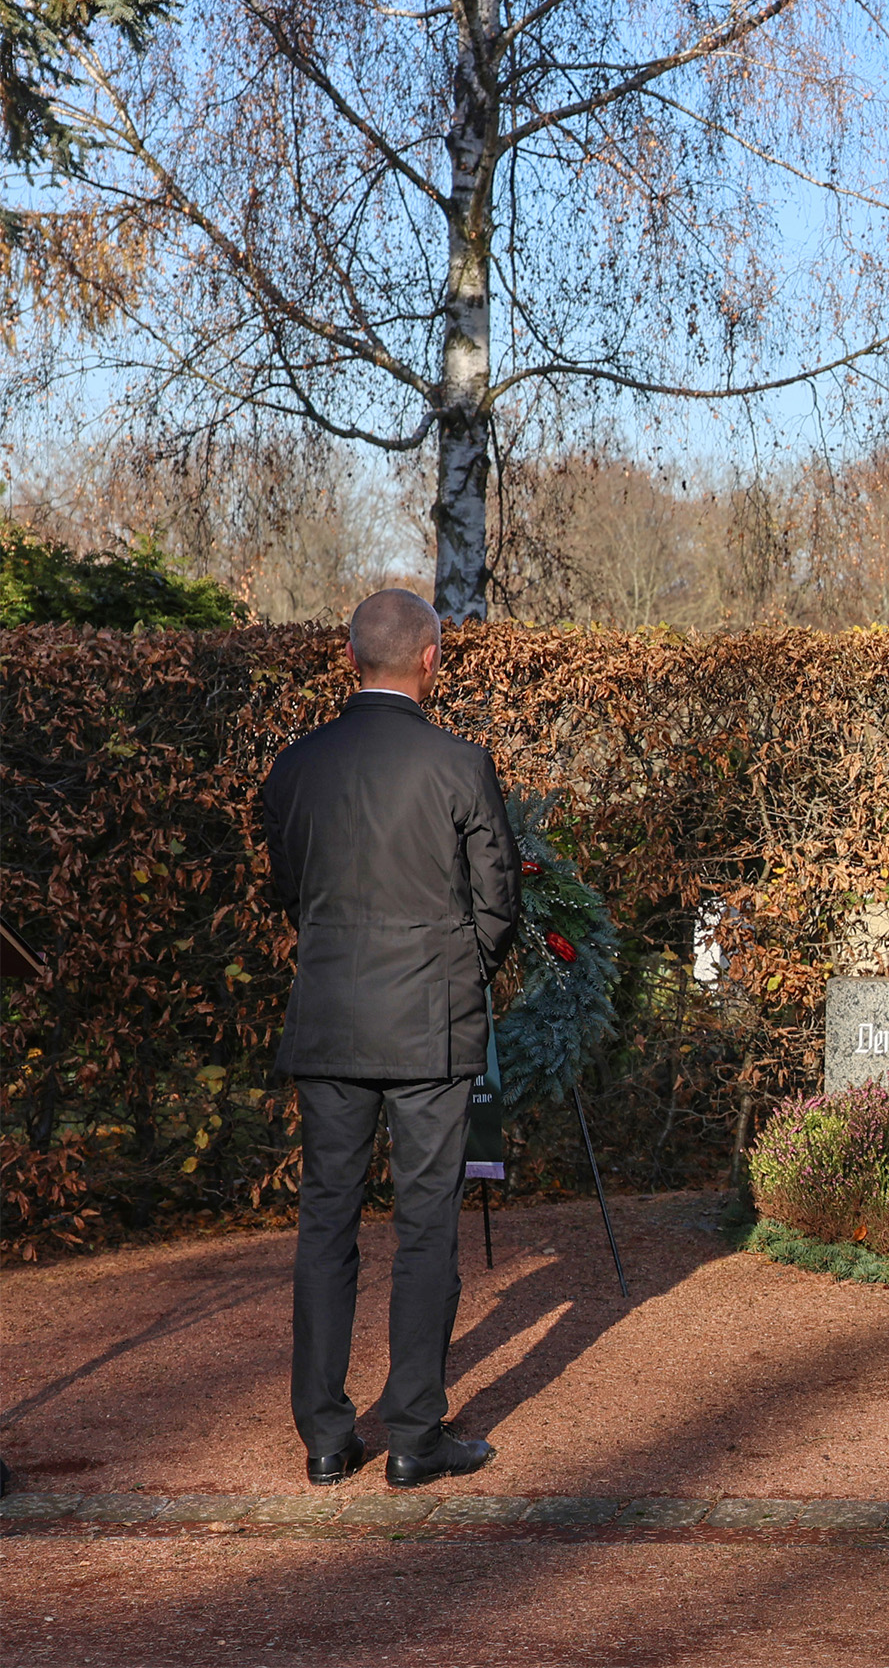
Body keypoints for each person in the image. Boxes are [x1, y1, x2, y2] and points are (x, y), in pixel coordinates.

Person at [260, 589, 519, 1490]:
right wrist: (451, 968)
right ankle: (413, 1433)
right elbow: (498, 905)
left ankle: (327, 1439)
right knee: (424, 1227)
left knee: (326, 1223)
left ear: (348, 660)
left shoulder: (293, 770)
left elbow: (289, 894)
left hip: (330, 1022)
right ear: (432, 661)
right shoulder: (460, 766)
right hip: (429, 1031)